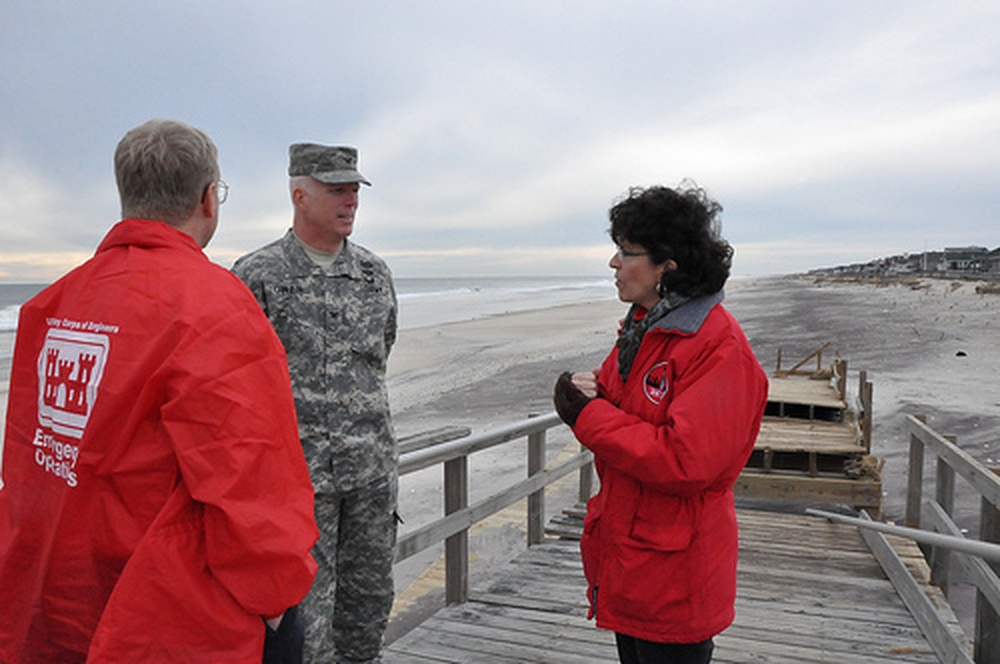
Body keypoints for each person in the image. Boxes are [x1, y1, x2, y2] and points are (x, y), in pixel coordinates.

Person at [0, 119, 319, 662]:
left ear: (127, 196)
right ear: (208, 200)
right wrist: (277, 597)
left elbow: (31, 458)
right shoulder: (216, 308)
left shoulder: (53, 305)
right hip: (163, 611)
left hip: (57, 593)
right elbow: (250, 477)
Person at [553, 183, 768, 664]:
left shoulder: (717, 347)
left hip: (676, 579)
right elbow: (622, 405)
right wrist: (591, 393)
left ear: (667, 267)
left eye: (626, 252)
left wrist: (588, 415)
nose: (613, 263)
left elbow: (686, 461)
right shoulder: (644, 328)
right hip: (632, 565)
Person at [233, 143, 398, 663]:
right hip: (297, 485)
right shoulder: (256, 275)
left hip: (370, 476)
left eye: (354, 189)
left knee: (368, 608)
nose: (350, 200)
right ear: (300, 194)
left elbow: (380, 356)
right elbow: (239, 382)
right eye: (336, 190)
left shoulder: (374, 275)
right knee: (304, 620)